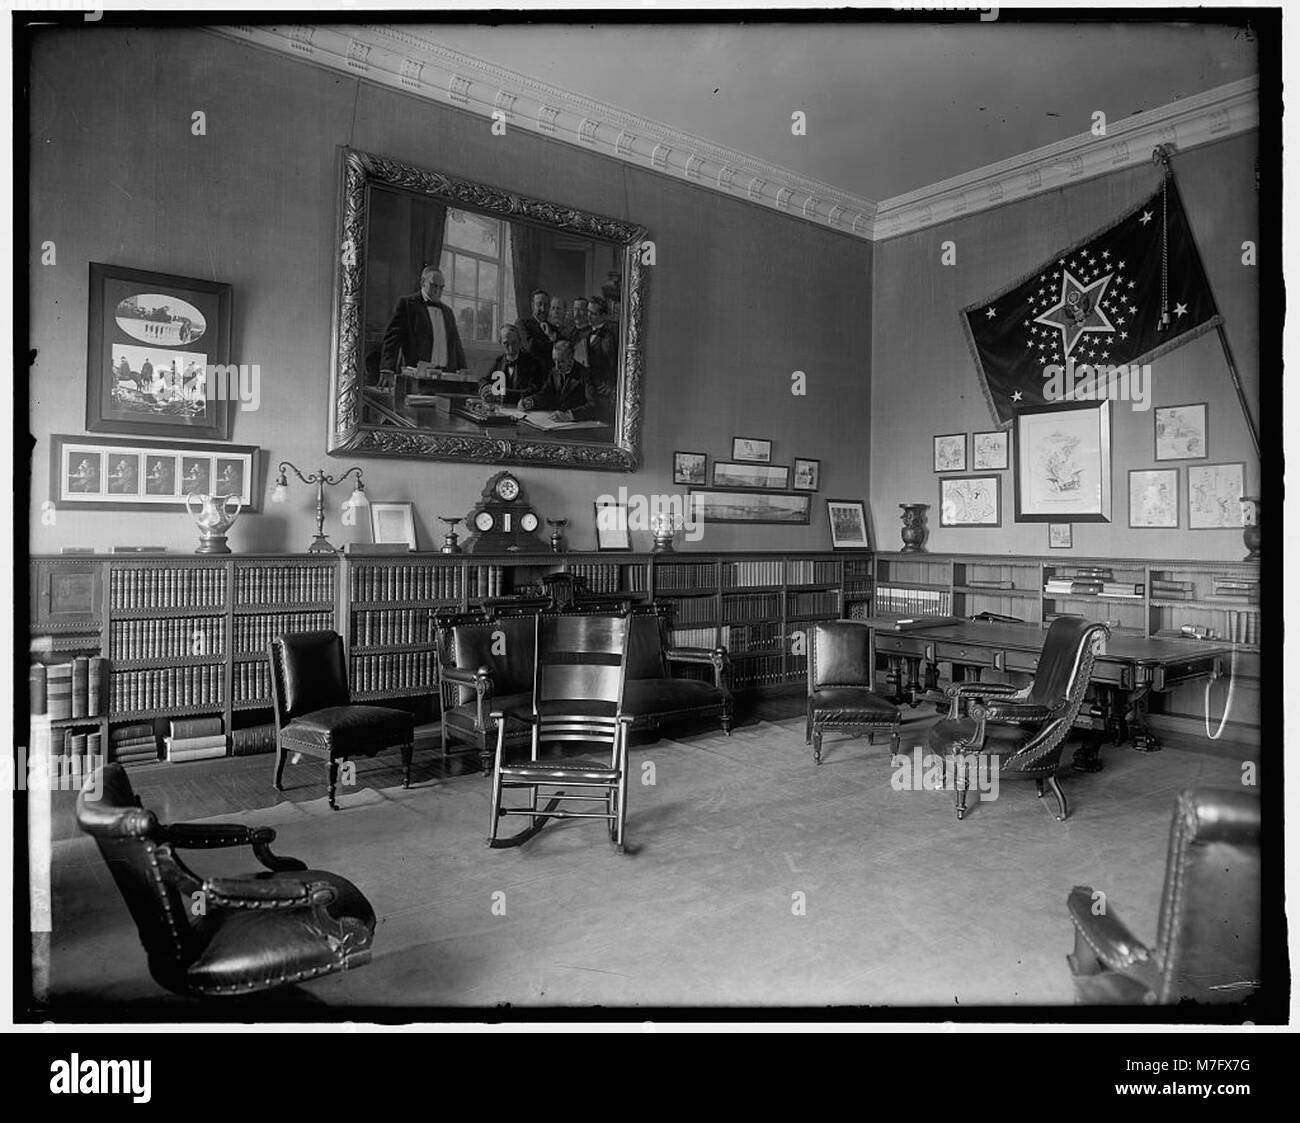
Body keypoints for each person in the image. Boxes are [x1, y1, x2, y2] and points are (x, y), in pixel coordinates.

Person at [378, 266, 467, 386]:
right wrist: (387, 369)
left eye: (441, 287)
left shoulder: (448, 312)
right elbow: (392, 340)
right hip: (416, 376)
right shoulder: (407, 305)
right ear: (422, 283)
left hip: (445, 377)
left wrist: (464, 372)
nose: (438, 291)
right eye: (434, 285)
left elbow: (455, 345)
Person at [521, 340, 612, 424]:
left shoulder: (585, 375)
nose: (557, 367)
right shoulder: (554, 372)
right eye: (554, 361)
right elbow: (545, 394)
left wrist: (569, 415)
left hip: (579, 425)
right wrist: (531, 401)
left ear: (571, 357)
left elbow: (594, 405)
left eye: (561, 362)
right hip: (555, 422)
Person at [480, 324, 542, 401]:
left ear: (519, 340)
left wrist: (501, 394)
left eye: (514, 343)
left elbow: (532, 390)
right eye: (506, 344)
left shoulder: (532, 362)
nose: (511, 348)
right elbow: (484, 380)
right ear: (500, 343)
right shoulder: (500, 361)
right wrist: (485, 387)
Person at [583, 296, 619, 392]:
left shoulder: (608, 336)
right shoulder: (589, 333)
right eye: (588, 311)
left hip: (603, 387)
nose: (588, 316)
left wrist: (610, 384)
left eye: (593, 313)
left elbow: (612, 363)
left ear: (603, 316)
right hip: (591, 385)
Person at [517, 289, 552, 368]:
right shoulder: (522, 323)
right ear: (532, 306)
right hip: (529, 372)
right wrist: (551, 341)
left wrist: (550, 336)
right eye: (539, 304)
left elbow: (560, 351)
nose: (543, 309)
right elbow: (530, 346)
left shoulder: (553, 329)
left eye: (546, 305)